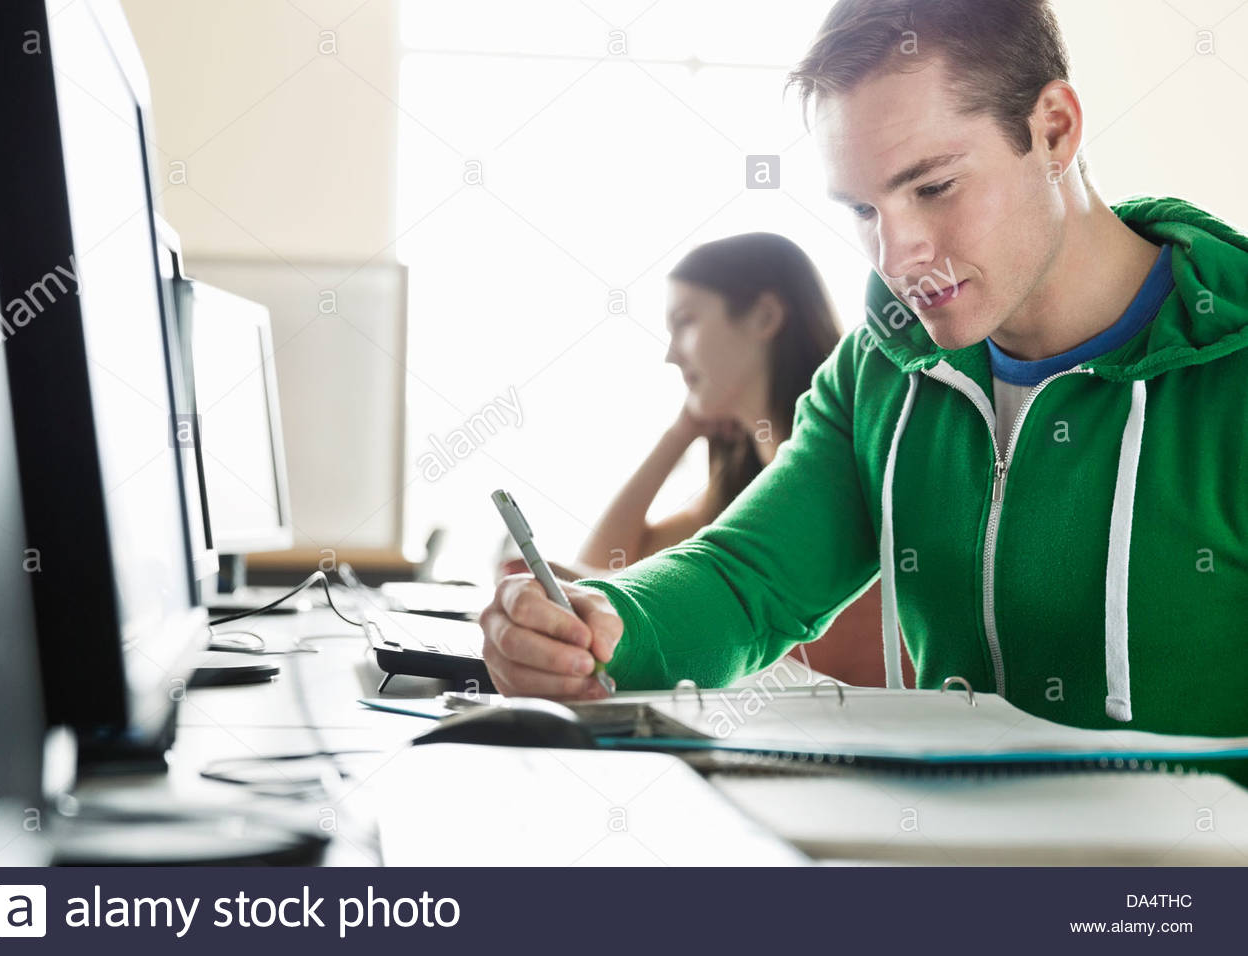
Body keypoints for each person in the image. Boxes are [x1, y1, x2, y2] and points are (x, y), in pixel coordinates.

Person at [477, 0, 1248, 776]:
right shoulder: (879, 369)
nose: (898, 253)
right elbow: (747, 581)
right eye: (860, 209)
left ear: (1053, 130)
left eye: (935, 187)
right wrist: (606, 623)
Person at [571, 232, 906, 686]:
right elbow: (610, 560)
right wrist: (679, 434)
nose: (671, 355)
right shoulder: (740, 488)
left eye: (685, 322)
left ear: (765, 316)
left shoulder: (851, 460)